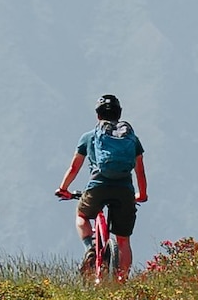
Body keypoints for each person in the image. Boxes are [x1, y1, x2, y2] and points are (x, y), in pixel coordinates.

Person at [57, 94, 147, 281]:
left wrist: (63, 188)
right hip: (124, 190)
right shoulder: (132, 139)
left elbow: (74, 168)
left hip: (97, 186)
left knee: (82, 216)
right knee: (123, 240)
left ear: (98, 115)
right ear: (119, 114)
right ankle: (121, 282)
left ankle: (90, 248)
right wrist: (142, 194)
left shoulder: (88, 137)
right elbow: (140, 171)